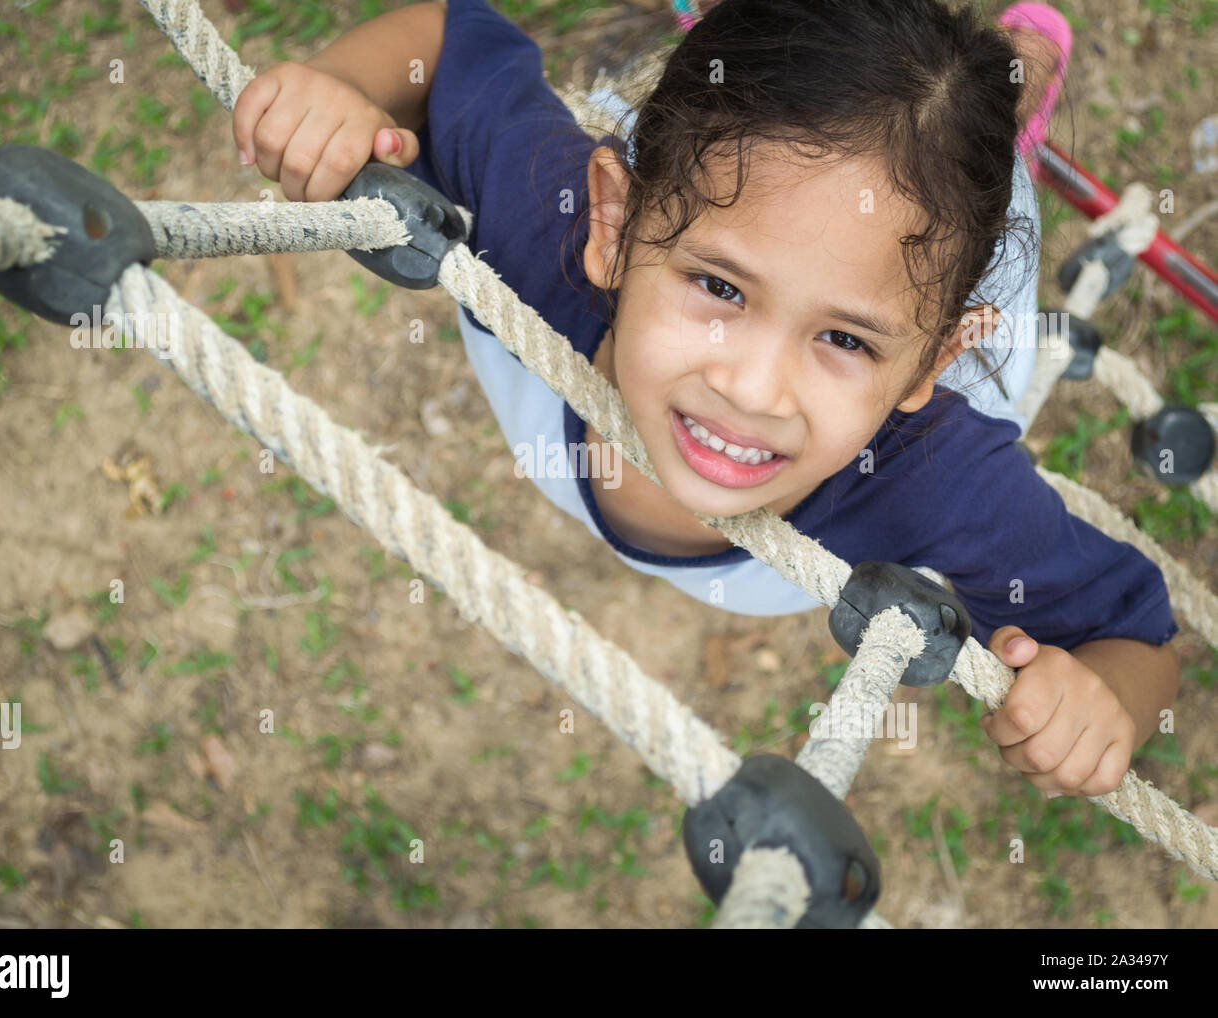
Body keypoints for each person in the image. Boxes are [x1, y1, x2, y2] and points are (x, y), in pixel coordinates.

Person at [232, 0, 1180, 800]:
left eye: (843, 340)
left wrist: (1107, 704)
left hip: (961, 271)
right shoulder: (546, 226)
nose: (751, 389)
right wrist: (342, 92)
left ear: (930, 360)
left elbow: (1128, 628)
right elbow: (447, 38)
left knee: (982, 147)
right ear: (612, 224)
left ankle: (1022, 73)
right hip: (727, 198)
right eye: (720, 289)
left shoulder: (938, 478)